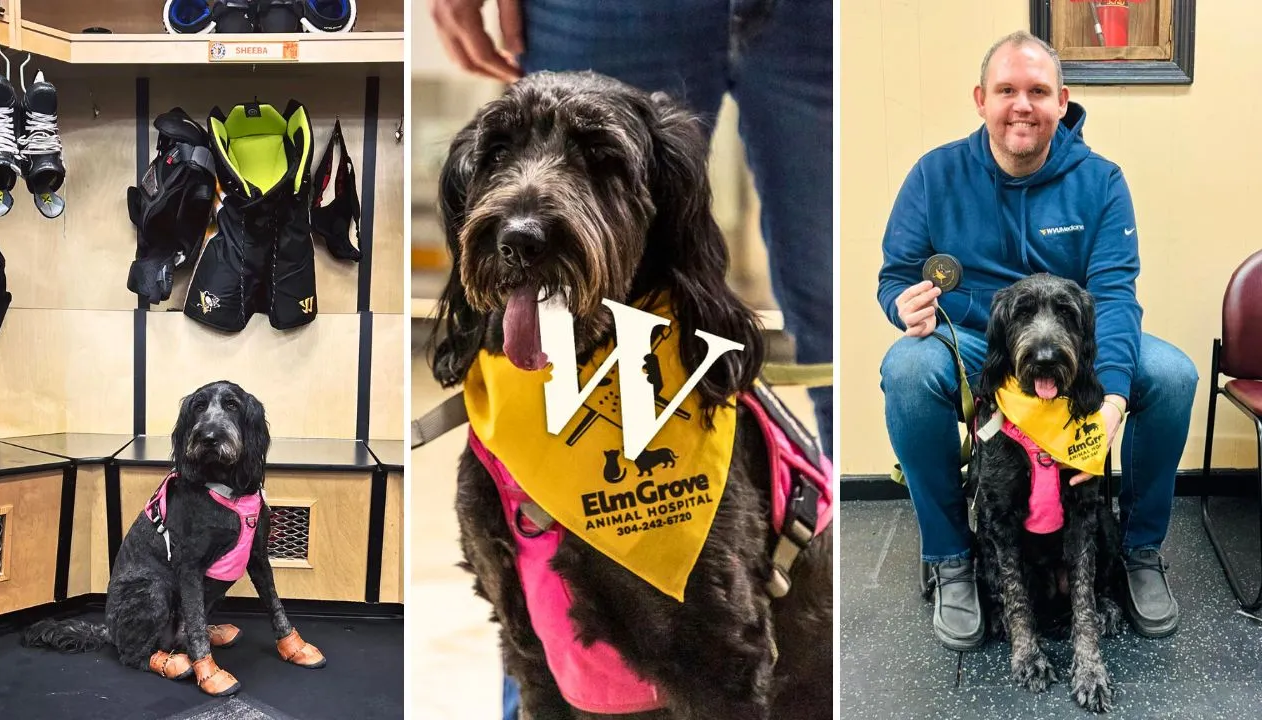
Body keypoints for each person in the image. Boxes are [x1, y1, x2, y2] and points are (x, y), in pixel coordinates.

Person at [430, 0, 833, 715]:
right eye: (500, 157)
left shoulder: (702, 435)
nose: (524, 215)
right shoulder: (491, 447)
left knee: (834, 318)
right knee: (531, 657)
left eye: (598, 163)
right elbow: (533, 662)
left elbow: (730, 685)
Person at [877, 30, 1197, 651]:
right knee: (908, 371)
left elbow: (1113, 297)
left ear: (1062, 101)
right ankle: (951, 559)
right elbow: (896, 275)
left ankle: (1138, 550)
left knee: (1175, 376)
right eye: (1006, 91)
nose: (1022, 105)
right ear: (980, 99)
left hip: (1076, 342)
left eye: (1038, 92)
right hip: (976, 340)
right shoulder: (933, 175)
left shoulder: (1101, 181)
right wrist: (901, 302)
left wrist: (1113, 401)